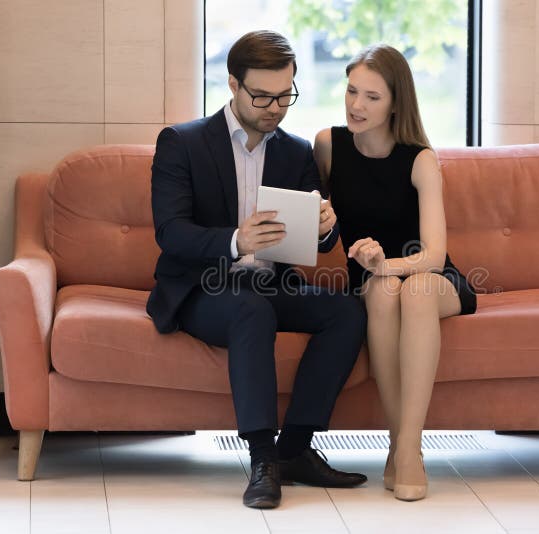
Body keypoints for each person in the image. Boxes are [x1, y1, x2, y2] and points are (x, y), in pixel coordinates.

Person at [146, 30, 368, 509]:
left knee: (346, 311)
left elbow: (314, 236)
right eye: (263, 96)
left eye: (285, 94)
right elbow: (171, 232)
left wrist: (327, 225)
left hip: (272, 283)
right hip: (203, 287)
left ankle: (296, 449)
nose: (275, 107)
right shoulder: (182, 143)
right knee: (249, 309)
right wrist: (234, 241)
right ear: (232, 84)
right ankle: (263, 458)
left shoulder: (294, 151)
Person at [313, 44, 477, 501]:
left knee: (415, 290)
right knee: (384, 292)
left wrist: (386, 264)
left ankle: (408, 448)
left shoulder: (420, 159)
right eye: (351, 91)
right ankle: (398, 442)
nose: (356, 105)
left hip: (430, 276)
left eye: (372, 97)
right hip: (372, 280)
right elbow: (319, 225)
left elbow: (434, 254)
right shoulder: (327, 146)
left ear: (396, 104)